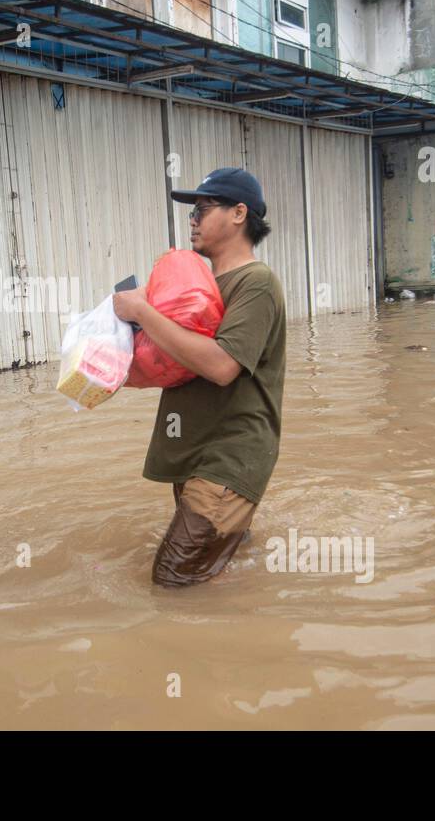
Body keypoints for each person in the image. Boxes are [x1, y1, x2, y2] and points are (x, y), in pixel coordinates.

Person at [114, 168, 286, 587]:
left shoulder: (255, 283)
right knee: (215, 573)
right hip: (194, 452)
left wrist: (142, 312)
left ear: (239, 214)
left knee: (172, 581)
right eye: (192, 212)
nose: (192, 220)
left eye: (203, 209)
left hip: (228, 456)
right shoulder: (198, 288)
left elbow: (222, 366)